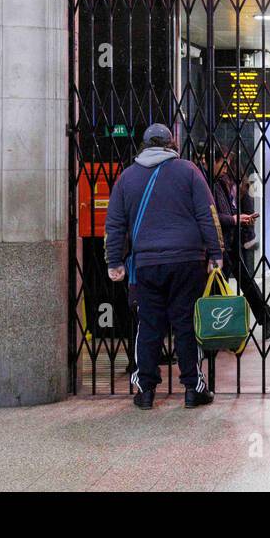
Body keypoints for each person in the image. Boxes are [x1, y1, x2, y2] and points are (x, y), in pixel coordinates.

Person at [105, 123, 224, 410]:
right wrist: (216, 253)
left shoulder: (126, 178)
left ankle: (145, 390)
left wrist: (114, 260)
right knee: (185, 323)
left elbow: (115, 223)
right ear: (171, 144)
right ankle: (193, 388)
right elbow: (207, 215)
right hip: (187, 261)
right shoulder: (189, 172)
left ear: (144, 145)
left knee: (148, 325)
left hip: (146, 263)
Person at [211, 150, 270, 339]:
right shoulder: (208, 182)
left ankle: (265, 318)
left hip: (230, 241)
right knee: (217, 286)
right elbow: (214, 214)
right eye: (223, 164)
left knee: (245, 282)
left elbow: (234, 208)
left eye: (227, 164)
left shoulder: (226, 182)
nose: (225, 169)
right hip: (217, 243)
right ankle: (221, 327)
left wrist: (243, 225)